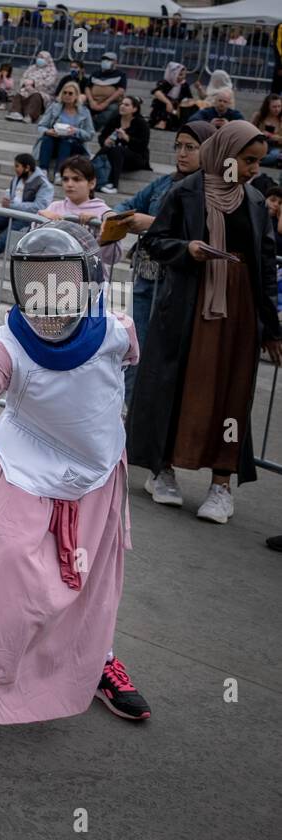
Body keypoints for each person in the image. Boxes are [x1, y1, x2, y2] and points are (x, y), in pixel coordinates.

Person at [0, 222, 150, 789]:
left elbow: (127, 369)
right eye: (34, 283)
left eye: (60, 283)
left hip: (96, 479)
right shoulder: (10, 346)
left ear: (87, 282)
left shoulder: (116, 331)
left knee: (93, 588)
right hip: (25, 476)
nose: (47, 298)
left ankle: (96, 661)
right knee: (7, 593)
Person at [128, 121, 282, 525]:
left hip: (239, 315)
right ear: (226, 155)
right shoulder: (185, 192)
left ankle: (221, 484)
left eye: (257, 162)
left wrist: (271, 328)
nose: (252, 170)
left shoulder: (253, 201)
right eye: (247, 160)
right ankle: (163, 470)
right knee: (177, 387)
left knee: (230, 396)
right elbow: (156, 241)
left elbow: (265, 267)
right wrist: (187, 249)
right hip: (187, 310)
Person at [103, 121, 212, 403]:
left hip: (180, 284)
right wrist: (113, 217)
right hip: (147, 278)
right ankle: (127, 411)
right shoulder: (165, 182)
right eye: (178, 146)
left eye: (191, 147)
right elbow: (126, 205)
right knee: (134, 346)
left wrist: (150, 224)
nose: (182, 153)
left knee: (165, 355)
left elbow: (198, 236)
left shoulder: (210, 191)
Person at [36, 80, 93, 178]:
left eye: (70, 93)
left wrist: (76, 131)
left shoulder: (84, 112)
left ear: (76, 96)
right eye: (65, 93)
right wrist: (47, 131)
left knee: (67, 141)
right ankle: (43, 170)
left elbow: (90, 134)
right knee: (47, 139)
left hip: (74, 145)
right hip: (55, 141)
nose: (67, 95)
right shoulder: (54, 107)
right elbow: (41, 126)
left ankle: (59, 173)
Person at [92, 94, 149, 194]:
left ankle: (113, 184)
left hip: (136, 158)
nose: (122, 106)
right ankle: (88, 178)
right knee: (106, 149)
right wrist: (105, 141)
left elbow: (142, 145)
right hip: (115, 156)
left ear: (134, 109)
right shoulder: (115, 119)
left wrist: (127, 138)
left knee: (117, 149)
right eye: (121, 104)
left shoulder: (141, 123)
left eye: (126, 105)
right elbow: (102, 136)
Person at [6, 50, 56, 124]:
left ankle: (30, 116)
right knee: (19, 94)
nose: (39, 59)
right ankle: (15, 112)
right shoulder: (32, 68)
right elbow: (23, 77)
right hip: (27, 89)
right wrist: (25, 83)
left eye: (42, 57)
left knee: (36, 96)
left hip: (42, 92)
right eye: (38, 57)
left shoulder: (52, 71)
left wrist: (34, 83)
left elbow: (49, 83)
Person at [84, 52, 126, 131]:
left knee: (113, 109)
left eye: (109, 60)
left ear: (115, 62)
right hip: (93, 101)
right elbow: (87, 88)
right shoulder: (95, 73)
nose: (105, 61)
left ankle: (93, 127)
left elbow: (121, 90)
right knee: (80, 105)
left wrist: (105, 103)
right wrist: (91, 101)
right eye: (104, 59)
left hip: (110, 103)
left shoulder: (121, 74)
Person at [149, 62, 197, 130]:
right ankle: (162, 122)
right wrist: (167, 102)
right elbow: (157, 92)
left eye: (184, 75)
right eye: (180, 75)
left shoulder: (184, 84)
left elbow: (189, 97)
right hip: (163, 107)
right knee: (163, 101)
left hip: (177, 108)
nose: (183, 77)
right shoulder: (165, 82)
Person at [251, 94, 282, 166]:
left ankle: (255, 162)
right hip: (259, 143)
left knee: (275, 155)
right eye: (274, 107)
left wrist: (272, 136)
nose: (277, 109)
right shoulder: (258, 116)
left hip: (275, 147)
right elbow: (249, 131)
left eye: (279, 106)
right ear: (268, 106)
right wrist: (260, 133)